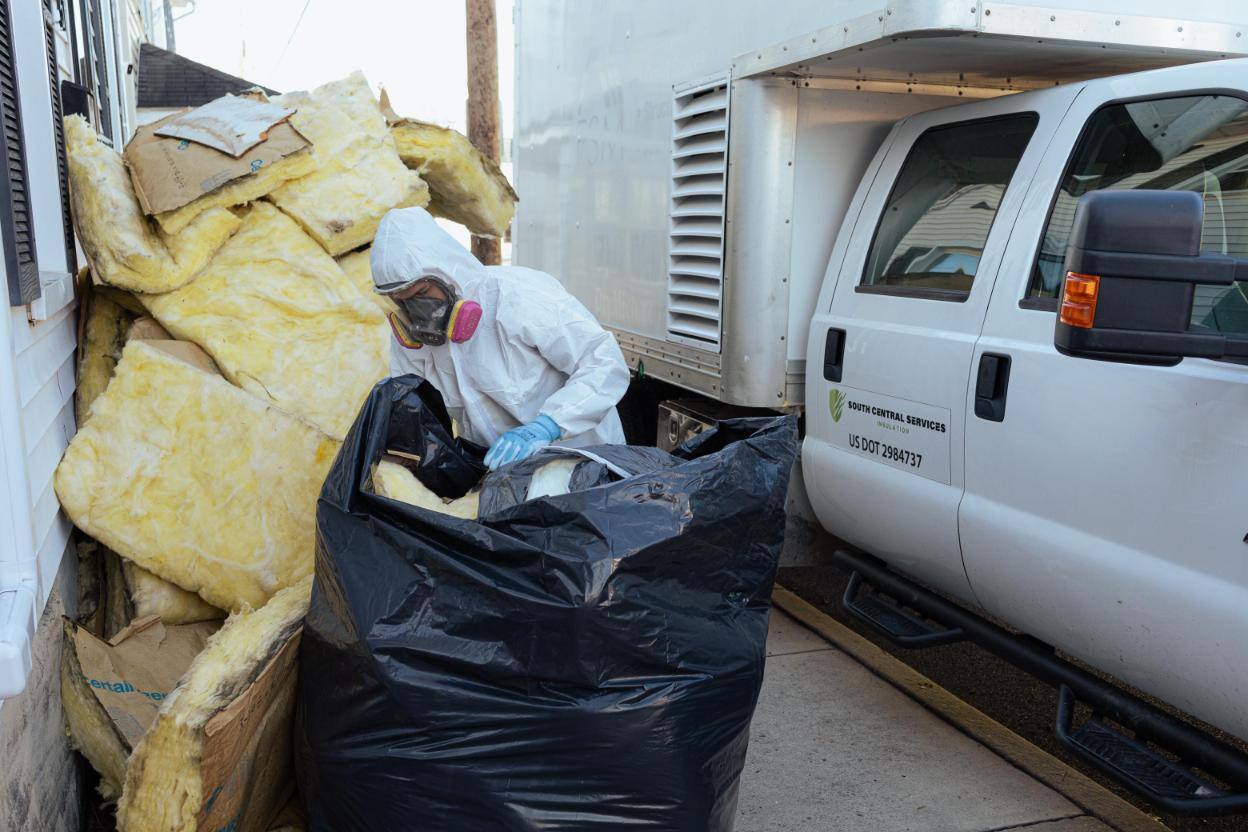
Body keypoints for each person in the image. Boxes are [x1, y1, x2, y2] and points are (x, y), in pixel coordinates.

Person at [371, 207, 629, 470]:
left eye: (422, 292)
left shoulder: (517, 297)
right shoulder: (414, 339)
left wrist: (548, 425)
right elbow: (413, 409)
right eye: (401, 300)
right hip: (503, 473)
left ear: (448, 274)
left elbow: (604, 362)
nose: (415, 311)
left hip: (585, 461)